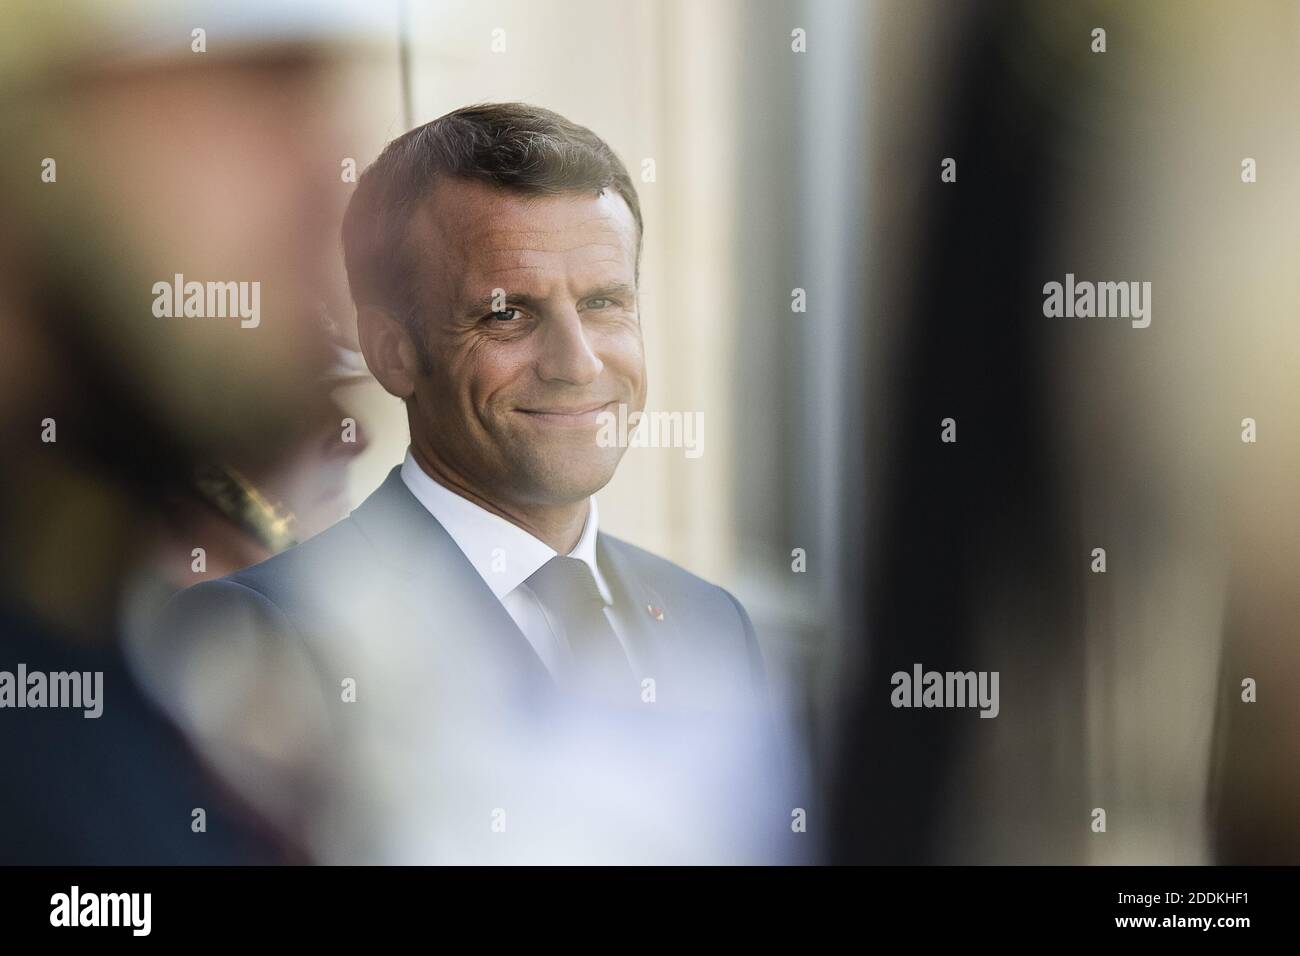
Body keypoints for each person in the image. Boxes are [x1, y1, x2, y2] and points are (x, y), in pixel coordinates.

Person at [155, 103, 784, 863]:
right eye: (508, 314)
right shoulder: (261, 637)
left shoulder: (712, 624)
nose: (577, 362)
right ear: (391, 351)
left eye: (604, 303)